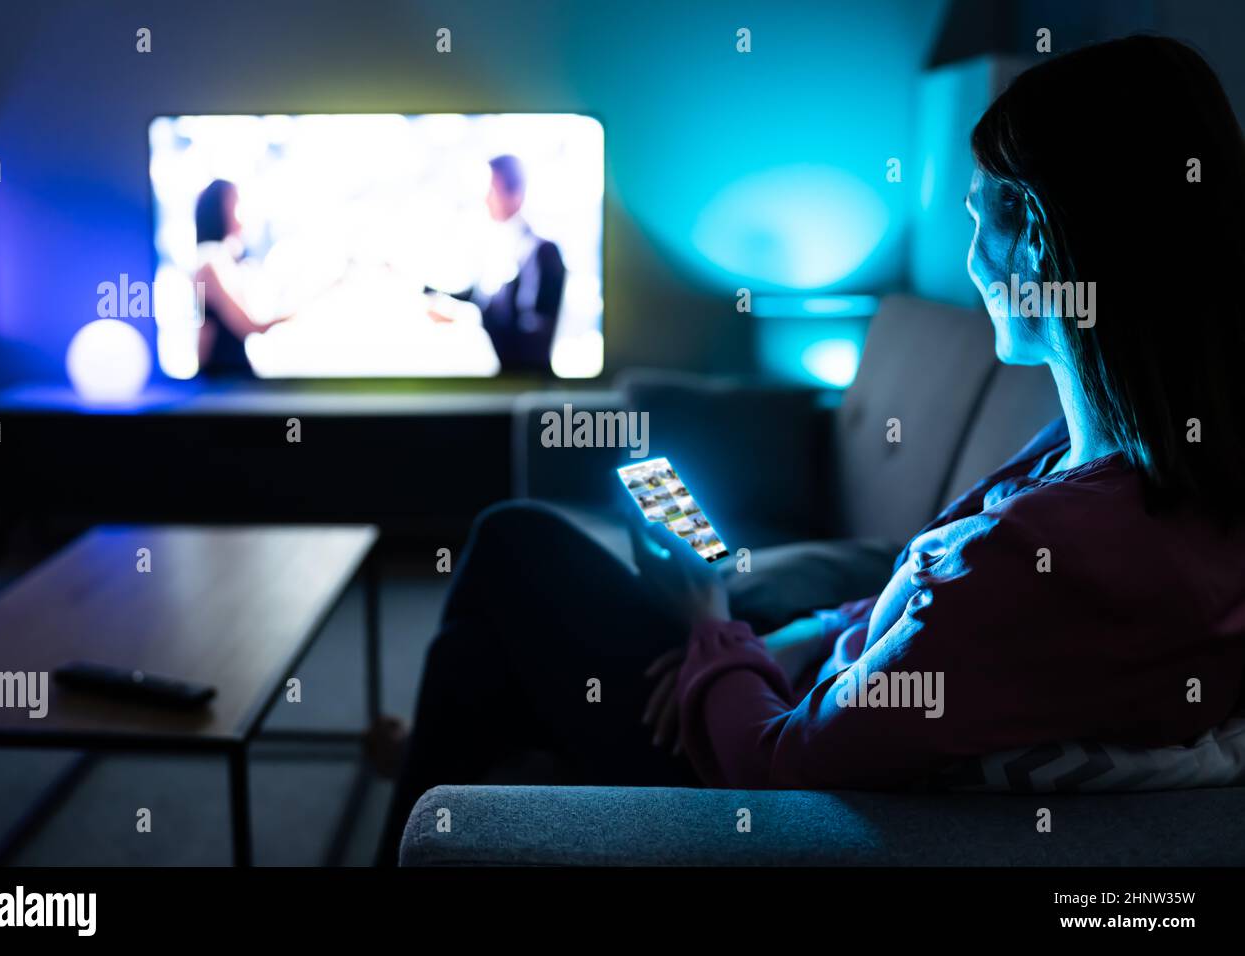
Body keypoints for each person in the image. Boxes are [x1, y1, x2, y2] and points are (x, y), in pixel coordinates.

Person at [376, 35, 1245, 863]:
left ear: (1046, 240)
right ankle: (455, 780)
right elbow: (941, 631)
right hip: (794, 671)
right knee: (490, 633)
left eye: (983, 219)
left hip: (736, 773)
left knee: (511, 547)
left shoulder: (1048, 555)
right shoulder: (1147, 465)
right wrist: (797, 633)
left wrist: (712, 626)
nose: (974, 260)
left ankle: (439, 819)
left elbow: (777, 767)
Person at [427, 155, 566, 373]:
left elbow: (533, 334)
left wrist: (464, 320)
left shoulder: (541, 252)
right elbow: (482, 299)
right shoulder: (497, 244)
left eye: (492, 190)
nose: (485, 199)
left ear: (516, 195)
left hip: (526, 384)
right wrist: (432, 291)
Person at [191, 179, 293, 376]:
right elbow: (250, 325)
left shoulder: (225, 259)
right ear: (219, 211)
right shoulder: (211, 262)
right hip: (223, 381)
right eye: (236, 203)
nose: (243, 215)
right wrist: (297, 309)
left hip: (229, 377)